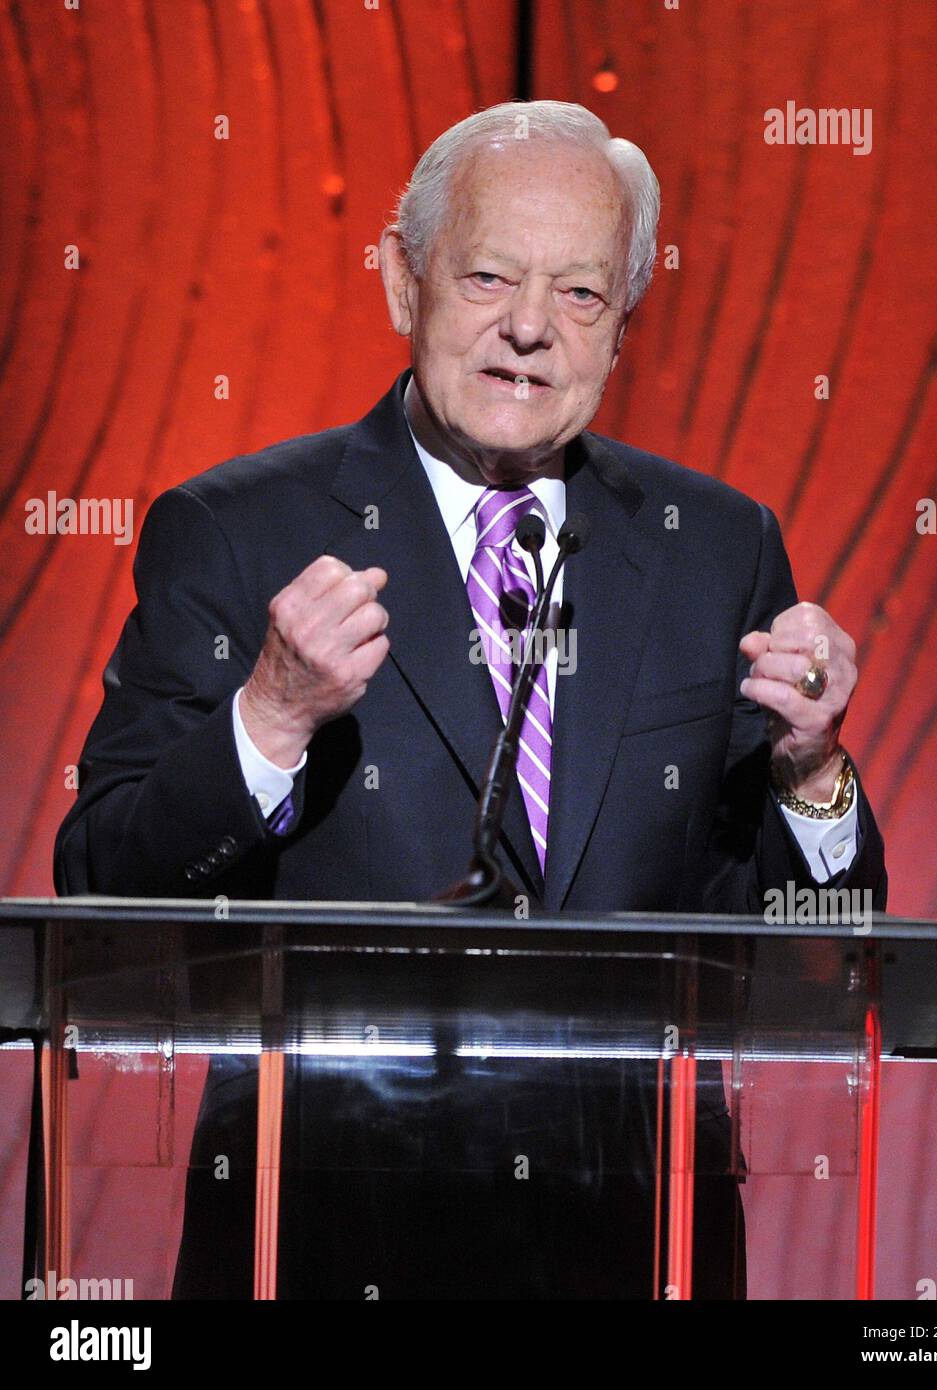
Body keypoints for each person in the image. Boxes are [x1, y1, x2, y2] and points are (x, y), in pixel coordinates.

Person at [54, 100, 886, 1299]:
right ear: (403, 279)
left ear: (621, 327)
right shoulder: (235, 529)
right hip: (326, 1239)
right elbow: (100, 887)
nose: (529, 328)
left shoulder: (713, 546)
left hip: (636, 1250)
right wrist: (270, 717)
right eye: (489, 276)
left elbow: (821, 962)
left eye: (580, 293)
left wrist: (811, 774)